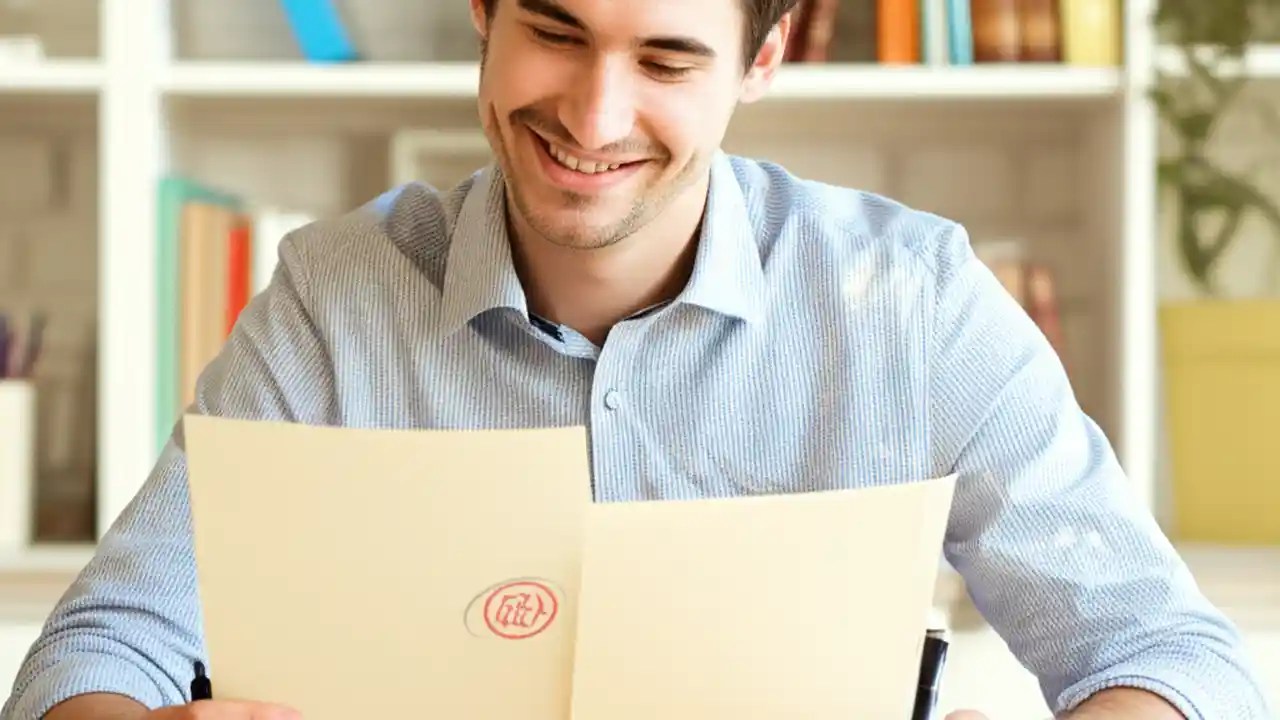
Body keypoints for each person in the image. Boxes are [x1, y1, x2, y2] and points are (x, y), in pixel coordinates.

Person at [3, 0, 1272, 717]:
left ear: (763, 60)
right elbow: (102, 647)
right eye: (554, 33)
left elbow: (1159, 653)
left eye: (665, 59)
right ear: (485, 19)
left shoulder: (912, 301)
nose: (592, 117)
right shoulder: (335, 296)